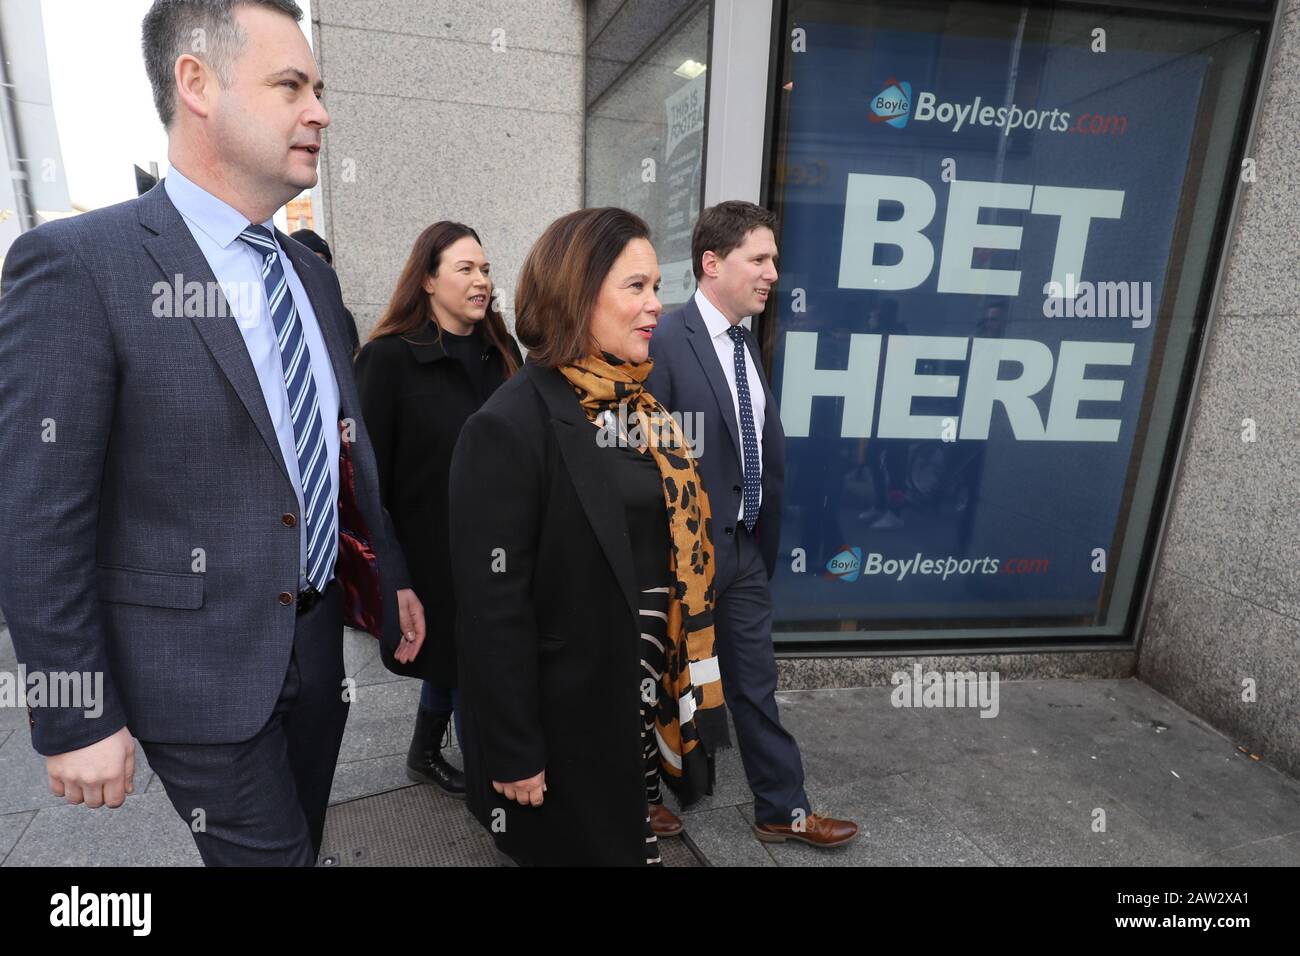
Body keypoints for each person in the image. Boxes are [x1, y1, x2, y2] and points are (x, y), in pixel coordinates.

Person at [0, 0, 425, 866]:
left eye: (320, 87)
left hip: (315, 646)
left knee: (300, 843)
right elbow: (36, 511)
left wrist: (392, 577)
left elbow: (341, 450)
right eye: (291, 86)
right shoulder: (81, 264)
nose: (321, 110)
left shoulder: (308, 275)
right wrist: (76, 710)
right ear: (196, 83)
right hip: (191, 671)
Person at [448, 207, 727, 865]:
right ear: (578, 292)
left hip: (642, 706)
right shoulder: (510, 425)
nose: (656, 305)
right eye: (636, 287)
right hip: (569, 722)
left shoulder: (642, 407)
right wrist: (514, 750)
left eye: (657, 286)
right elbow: (492, 612)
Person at [645, 200, 859, 848]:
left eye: (774, 259)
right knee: (656, 682)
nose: (773, 272)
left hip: (741, 553)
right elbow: (642, 456)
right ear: (712, 263)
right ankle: (638, 797)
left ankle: (781, 809)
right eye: (759, 259)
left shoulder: (743, 343)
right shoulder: (663, 341)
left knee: (756, 684)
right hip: (678, 560)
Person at [354, 222, 521, 796]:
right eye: (466, 269)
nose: (482, 281)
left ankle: (426, 754)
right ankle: (496, 801)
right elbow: (365, 480)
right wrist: (391, 575)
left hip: (499, 550)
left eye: (486, 269)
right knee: (459, 664)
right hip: (429, 557)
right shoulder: (386, 360)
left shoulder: (502, 352)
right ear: (427, 279)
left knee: (466, 661)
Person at [290, 227, 360, 355]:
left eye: (322, 261)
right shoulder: (278, 312)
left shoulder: (341, 314)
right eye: (307, 260)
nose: (316, 268)